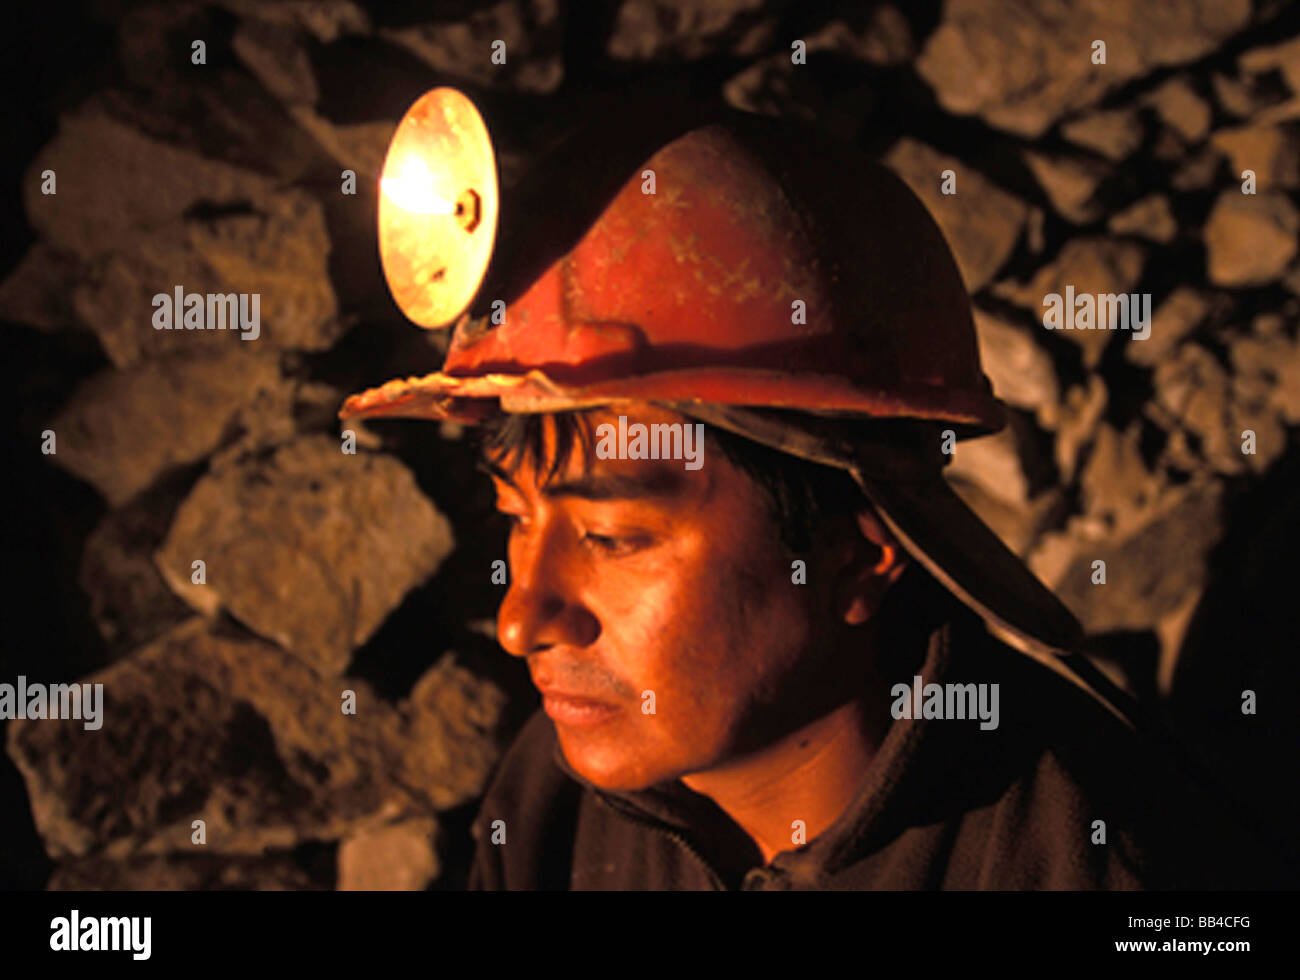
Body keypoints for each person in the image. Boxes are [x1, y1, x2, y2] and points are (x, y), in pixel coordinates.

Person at [340, 109, 1264, 890]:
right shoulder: (556, 802)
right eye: (516, 517)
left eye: (613, 536)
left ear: (858, 551)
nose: (519, 619)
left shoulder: (1095, 864)